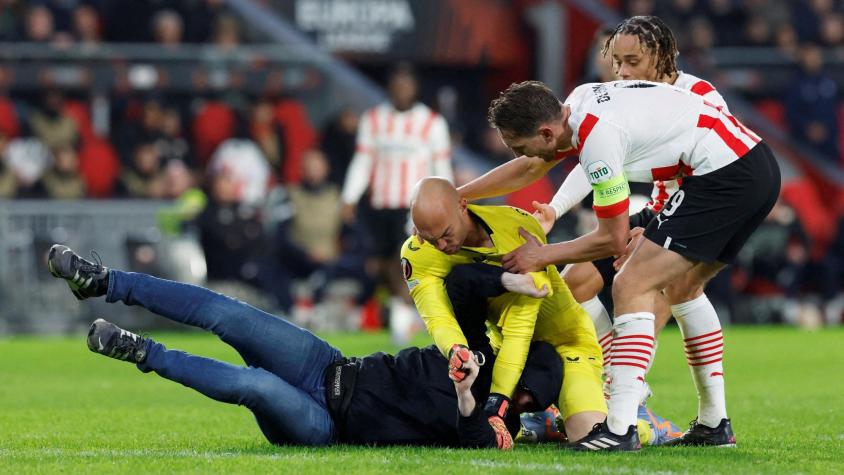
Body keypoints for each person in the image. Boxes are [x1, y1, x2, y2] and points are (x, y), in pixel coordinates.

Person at [468, 78, 779, 450]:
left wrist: (540, 255)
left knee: (631, 283)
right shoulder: (578, 104)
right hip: (744, 169)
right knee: (673, 288)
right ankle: (713, 424)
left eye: (520, 146)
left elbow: (612, 239)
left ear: (547, 133)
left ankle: (620, 425)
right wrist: (458, 196)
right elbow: (529, 168)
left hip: (723, 178)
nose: (521, 155)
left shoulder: (597, 136)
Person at [46, 244, 559, 448]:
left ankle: (141, 352)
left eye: (527, 398)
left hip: (325, 425)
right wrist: (507, 282)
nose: (520, 397)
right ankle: (104, 281)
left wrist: (468, 396)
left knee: (254, 386)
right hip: (330, 364)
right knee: (227, 312)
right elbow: (463, 284)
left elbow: (475, 442)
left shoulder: (499, 421)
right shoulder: (476, 349)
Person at [537, 16, 737, 378]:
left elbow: (716, 169)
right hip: (654, 210)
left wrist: (654, 234)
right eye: (615, 61)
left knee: (668, 290)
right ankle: (615, 378)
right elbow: (590, 160)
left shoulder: (700, 95)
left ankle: (631, 389)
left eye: (630, 61)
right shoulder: (610, 100)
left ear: (660, 56)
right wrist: (555, 208)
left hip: (691, 212)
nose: (619, 70)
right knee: (574, 284)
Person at [403, 177, 608, 444]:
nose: (441, 246)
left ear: (462, 205)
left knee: (591, 436)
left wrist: (496, 405)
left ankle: (638, 421)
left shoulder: (517, 228)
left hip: (566, 342)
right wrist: (456, 352)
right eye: (430, 238)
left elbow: (520, 329)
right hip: (503, 349)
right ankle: (536, 418)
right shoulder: (418, 253)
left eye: (445, 234)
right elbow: (438, 318)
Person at [341, 62, 453, 345]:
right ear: (389, 87)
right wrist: (349, 197)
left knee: (402, 261)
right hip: (380, 205)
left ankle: (403, 322)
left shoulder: (432, 122)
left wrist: (447, 200)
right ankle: (408, 315)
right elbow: (363, 161)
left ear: (415, 87)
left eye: (406, 84)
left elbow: (441, 166)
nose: (401, 89)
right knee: (380, 264)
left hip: (414, 206)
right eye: (397, 84)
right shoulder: (374, 120)